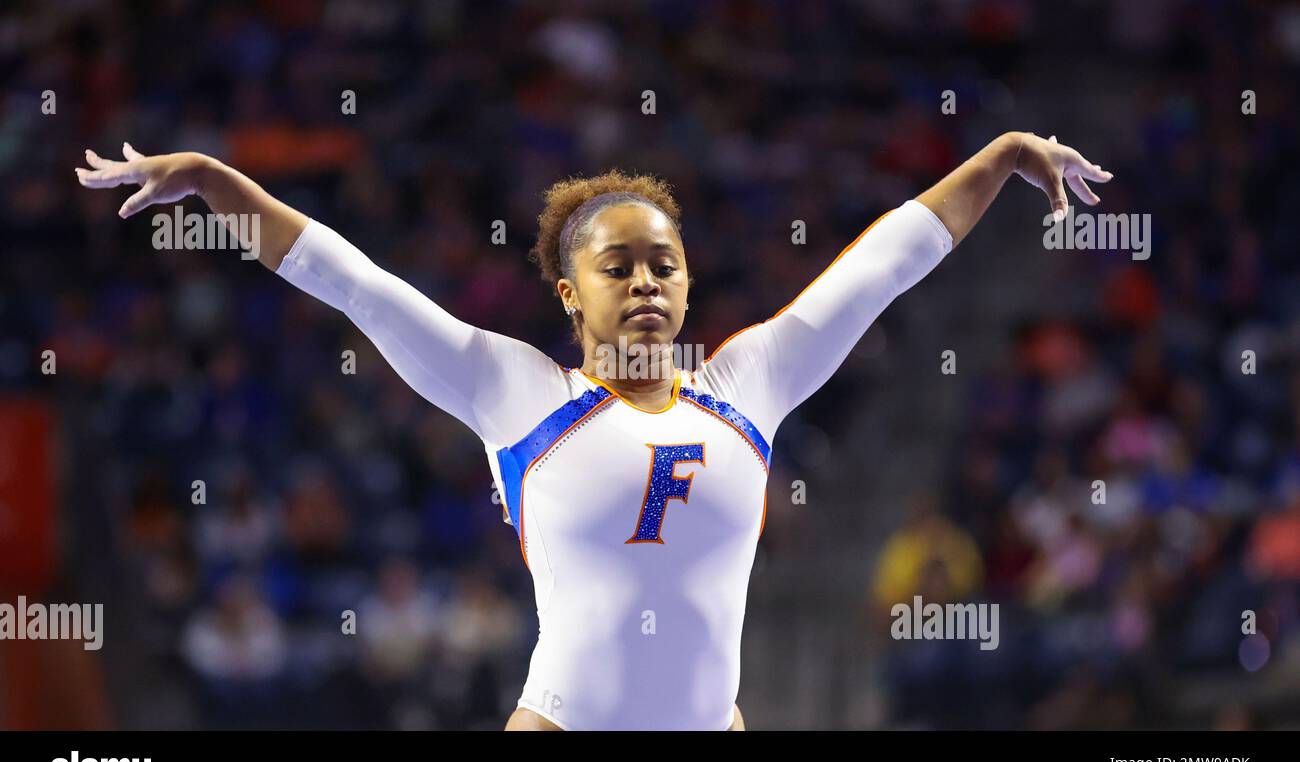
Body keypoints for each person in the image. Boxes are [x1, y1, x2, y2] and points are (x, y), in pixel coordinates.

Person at [76, 132, 1111, 730]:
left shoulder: (747, 383)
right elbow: (355, 284)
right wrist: (218, 183)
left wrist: (1002, 156)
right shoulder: (514, 391)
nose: (647, 283)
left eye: (663, 263)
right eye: (618, 268)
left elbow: (886, 265)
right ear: (570, 289)